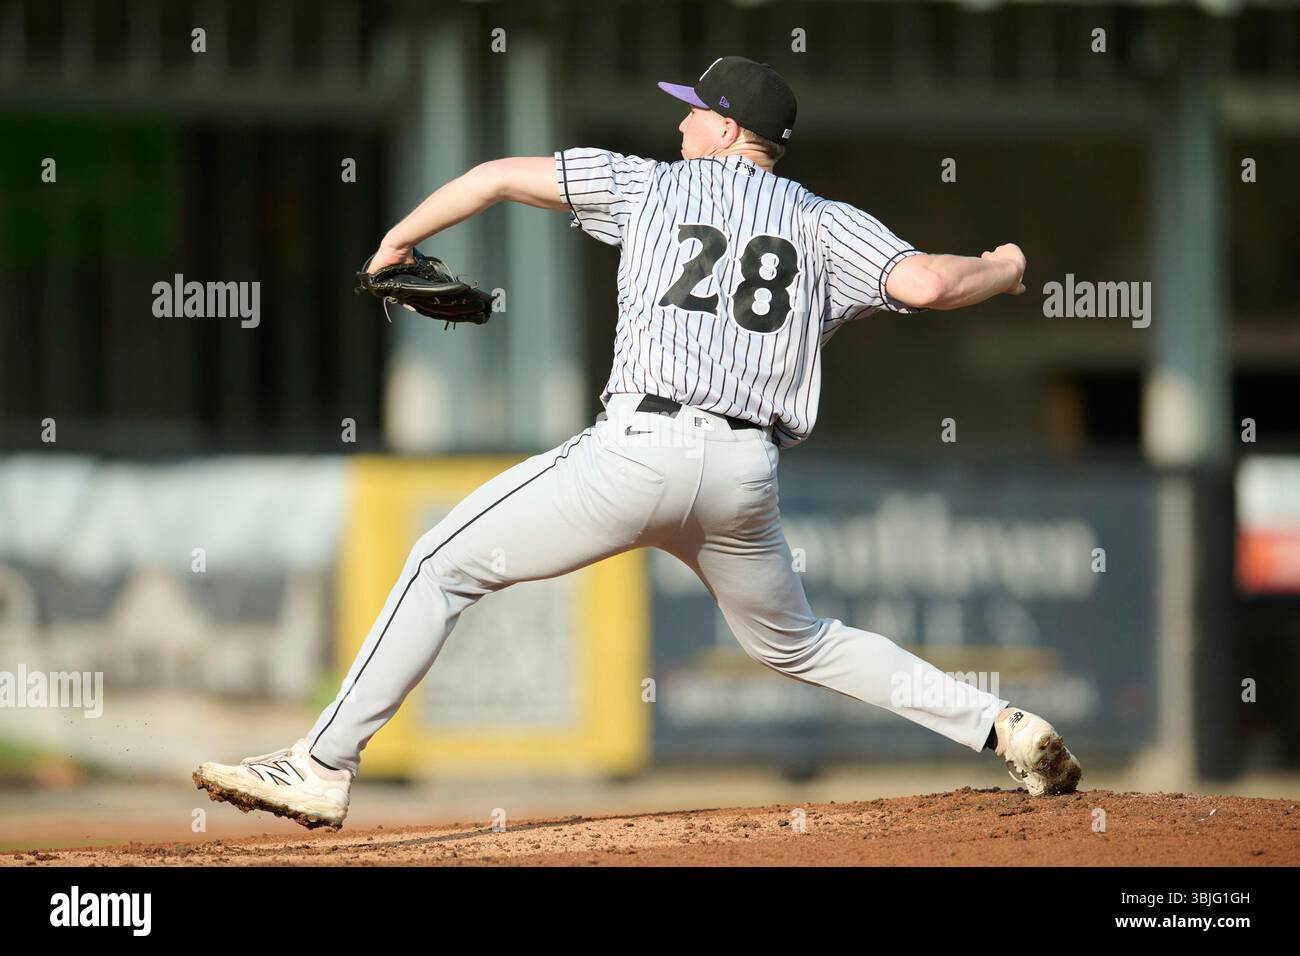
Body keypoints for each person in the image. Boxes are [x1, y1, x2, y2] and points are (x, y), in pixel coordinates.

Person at [194, 56, 1080, 830]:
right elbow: (924, 285)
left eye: (695, 109)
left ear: (729, 128)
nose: (681, 120)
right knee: (798, 642)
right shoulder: (821, 218)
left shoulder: (650, 184)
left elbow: (497, 175)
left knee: (438, 563)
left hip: (637, 452)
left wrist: (396, 241)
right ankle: (1001, 726)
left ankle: (320, 765)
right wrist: (1005, 268)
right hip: (742, 473)